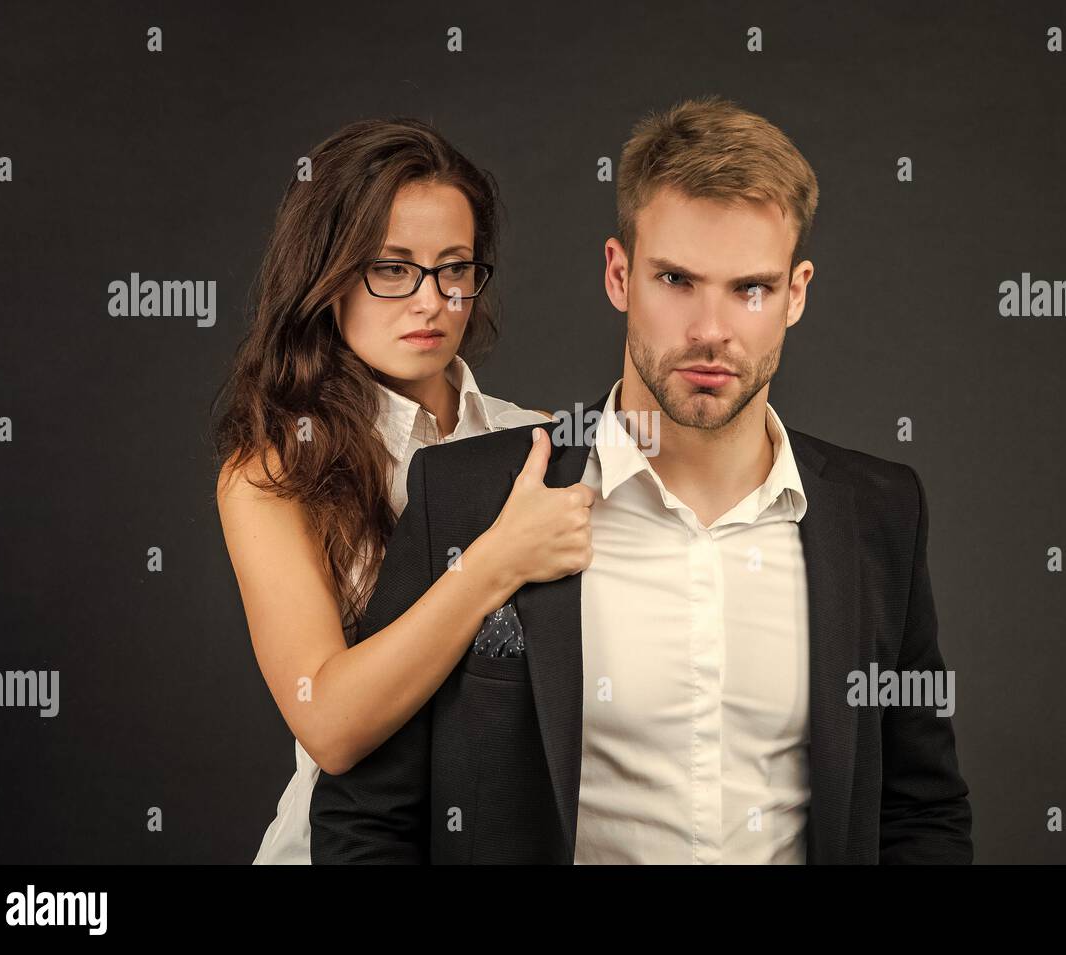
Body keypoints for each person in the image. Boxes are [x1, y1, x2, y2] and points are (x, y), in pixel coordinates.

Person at [309, 96, 972, 864]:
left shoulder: (879, 514)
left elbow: (923, 811)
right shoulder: (469, 495)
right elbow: (364, 821)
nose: (710, 330)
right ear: (620, 274)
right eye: (677, 280)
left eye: (749, 288)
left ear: (796, 293)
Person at [212, 118, 594, 864]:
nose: (432, 301)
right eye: (392, 268)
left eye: (455, 268)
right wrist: (494, 564)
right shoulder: (273, 473)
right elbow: (330, 722)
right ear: (326, 276)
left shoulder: (542, 441)